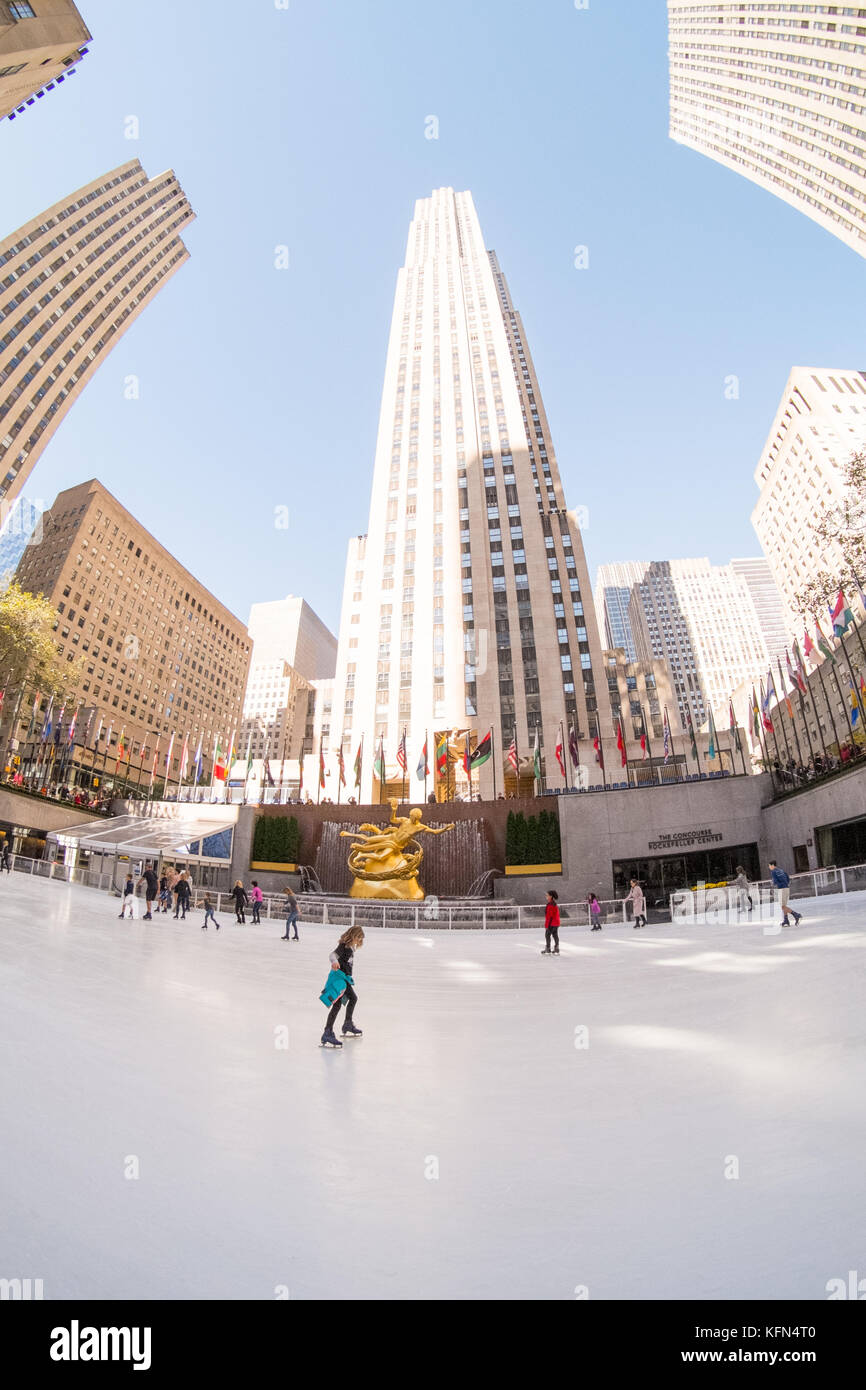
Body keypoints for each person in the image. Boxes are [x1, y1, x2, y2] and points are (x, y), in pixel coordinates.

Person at [321, 926, 365, 1047]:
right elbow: (332, 955)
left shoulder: (350, 947)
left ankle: (347, 1024)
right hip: (339, 979)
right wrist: (334, 962)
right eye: (359, 938)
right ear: (354, 936)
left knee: (351, 999)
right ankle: (328, 1032)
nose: (359, 941)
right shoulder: (344, 945)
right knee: (337, 1004)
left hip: (344, 980)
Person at [769, 859, 802, 927]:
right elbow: (787, 878)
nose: (769, 867)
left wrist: (773, 883)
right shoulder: (781, 870)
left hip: (781, 889)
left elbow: (775, 882)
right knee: (784, 906)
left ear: (772, 865)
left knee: (783, 906)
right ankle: (786, 920)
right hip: (786, 888)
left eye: (769, 866)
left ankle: (796, 915)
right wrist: (785, 884)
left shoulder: (773, 872)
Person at [541, 890, 560, 954]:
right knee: (555, 935)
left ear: (551, 896)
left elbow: (550, 917)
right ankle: (556, 948)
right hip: (555, 923)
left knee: (547, 935)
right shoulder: (552, 903)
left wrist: (547, 925)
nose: (546, 896)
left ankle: (548, 948)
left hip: (552, 923)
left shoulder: (551, 905)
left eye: (547, 895)